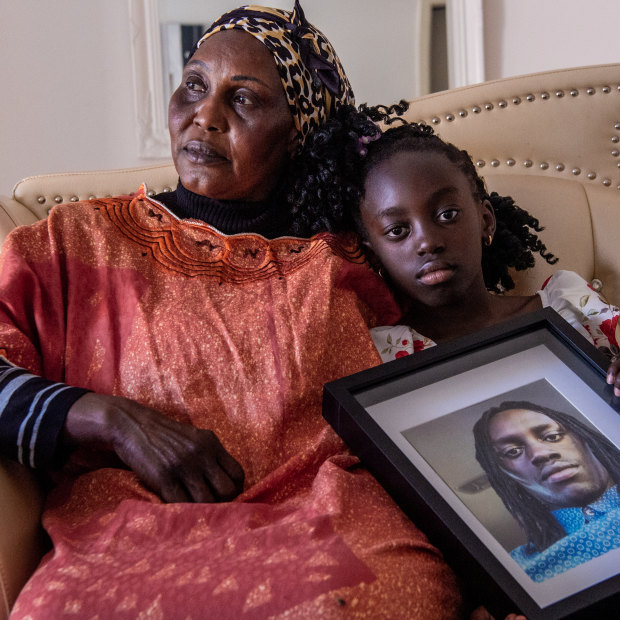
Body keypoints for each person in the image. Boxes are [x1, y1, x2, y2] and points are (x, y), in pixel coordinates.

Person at [0, 4, 462, 618]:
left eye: (243, 99)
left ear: (300, 128)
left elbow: (462, 339)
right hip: (128, 537)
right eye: (193, 85)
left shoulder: (353, 256)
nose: (204, 116)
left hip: (334, 531)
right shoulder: (74, 242)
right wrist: (108, 418)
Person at [334, 120, 620, 390]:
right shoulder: (377, 357)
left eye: (447, 215)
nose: (428, 242)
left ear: (485, 221)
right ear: (373, 257)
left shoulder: (569, 307)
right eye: (397, 230)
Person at [473, 402, 620, 582]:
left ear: (585, 438)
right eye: (512, 451)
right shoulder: (517, 570)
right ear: (509, 477)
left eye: (552, 436)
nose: (540, 453)